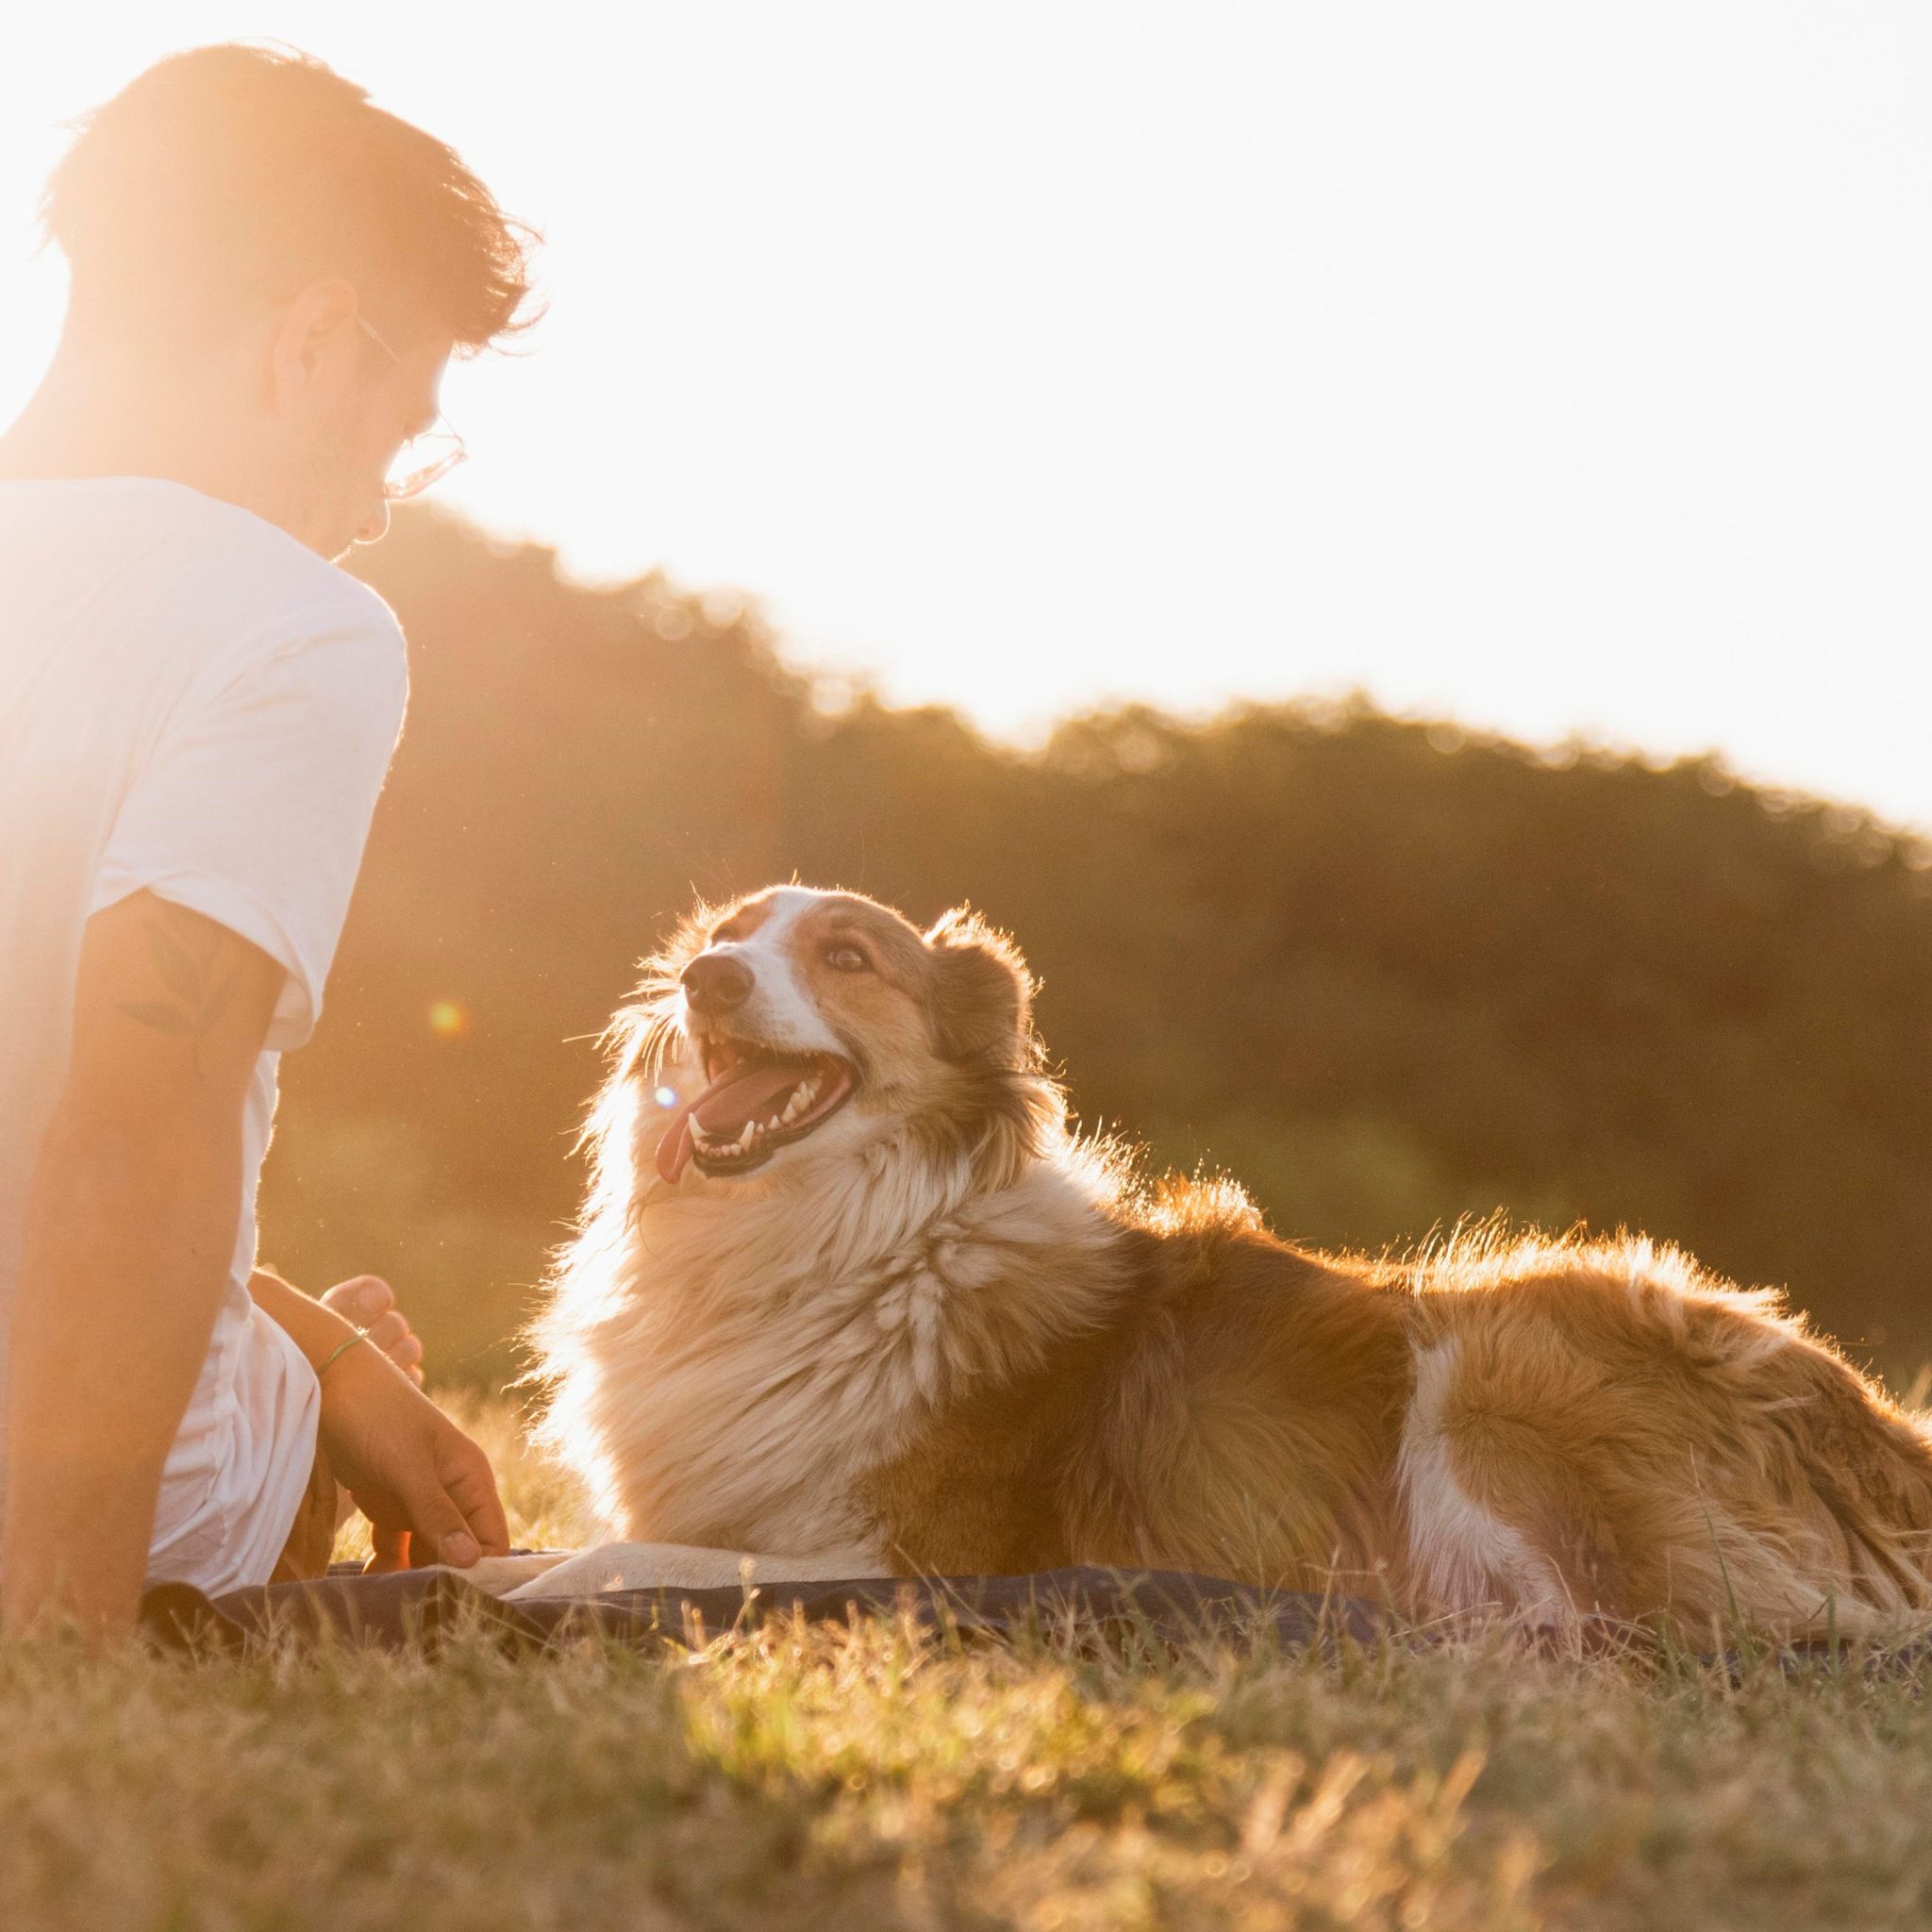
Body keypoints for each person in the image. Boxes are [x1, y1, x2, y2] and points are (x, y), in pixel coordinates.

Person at [0, 43, 539, 1635]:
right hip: (133, 1529)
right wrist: (56, 1636)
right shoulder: (292, 624)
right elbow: (133, 1130)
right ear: (312, 341)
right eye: (402, 431)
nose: (378, 505)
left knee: (302, 1324)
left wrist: (298, 1337)